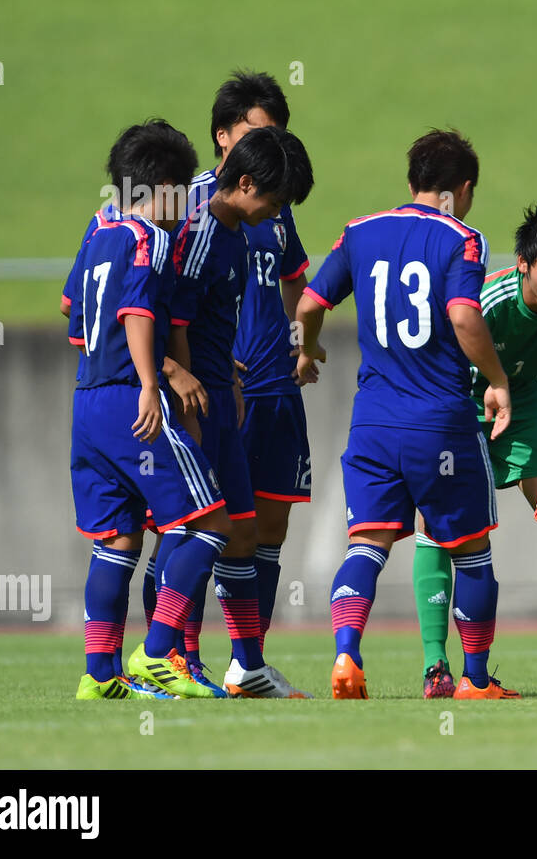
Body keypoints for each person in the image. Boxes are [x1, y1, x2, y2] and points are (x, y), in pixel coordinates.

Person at [295, 129, 520, 701]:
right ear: (463, 189)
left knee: (366, 546)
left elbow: (309, 302)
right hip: (440, 422)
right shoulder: (462, 238)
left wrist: (307, 349)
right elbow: (466, 316)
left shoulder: (360, 231)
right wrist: (497, 379)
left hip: (372, 424)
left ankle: (347, 653)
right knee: (470, 550)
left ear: (412, 180)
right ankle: (473, 679)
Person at [413, 197, 537, 697]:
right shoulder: (489, 301)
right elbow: (444, 356)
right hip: (457, 399)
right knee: (438, 524)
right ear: (523, 263)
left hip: (521, 404)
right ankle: (436, 666)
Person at [68, 119, 230, 700]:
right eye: (182, 190)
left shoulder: (98, 230)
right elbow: (137, 313)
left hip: (86, 402)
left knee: (117, 541)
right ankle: (157, 653)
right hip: (129, 403)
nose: (186, 204)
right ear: (163, 186)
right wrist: (147, 380)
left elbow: (74, 312)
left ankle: (100, 674)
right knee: (210, 521)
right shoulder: (150, 238)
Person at [167, 125, 315, 698]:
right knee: (192, 529)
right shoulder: (200, 223)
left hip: (232, 392)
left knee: (245, 529)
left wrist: (231, 369)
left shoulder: (239, 230)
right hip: (195, 399)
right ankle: (166, 655)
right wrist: (181, 376)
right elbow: (172, 314)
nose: (276, 212)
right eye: (274, 200)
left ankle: (246, 667)